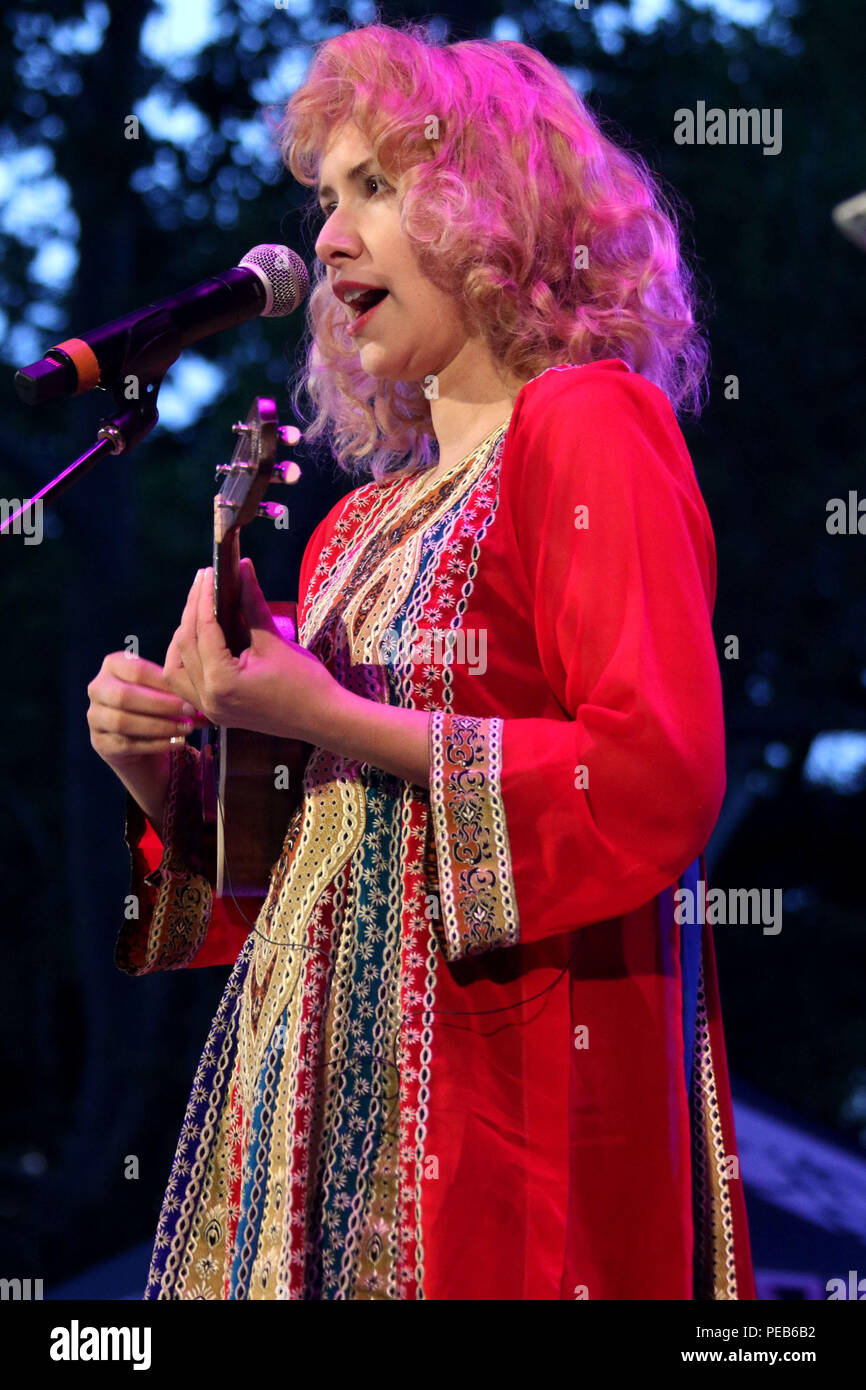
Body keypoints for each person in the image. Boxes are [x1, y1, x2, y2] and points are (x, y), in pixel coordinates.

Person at [86, 20, 755, 1300]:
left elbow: (651, 774)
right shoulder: (354, 522)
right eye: (325, 198)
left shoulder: (586, 424)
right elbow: (302, 874)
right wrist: (162, 768)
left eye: (373, 191)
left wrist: (330, 713)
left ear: (490, 210)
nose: (326, 237)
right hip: (308, 1115)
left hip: (495, 1118)